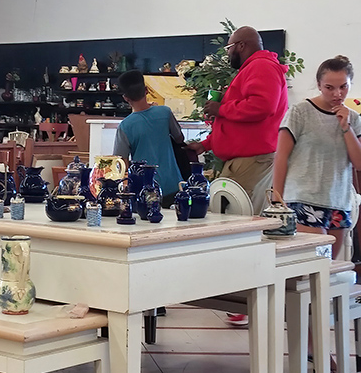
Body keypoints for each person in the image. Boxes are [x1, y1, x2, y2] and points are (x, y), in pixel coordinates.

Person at [273, 55, 361, 259]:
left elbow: (358, 162)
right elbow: (281, 156)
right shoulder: (301, 111)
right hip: (304, 197)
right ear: (319, 85)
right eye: (330, 87)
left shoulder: (353, 118)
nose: (337, 94)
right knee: (315, 263)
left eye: (343, 87)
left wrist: (345, 127)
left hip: (338, 201)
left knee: (328, 269)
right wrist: (276, 199)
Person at [195, 26, 288, 212]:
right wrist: (206, 144)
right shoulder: (253, 67)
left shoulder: (261, 66)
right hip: (246, 160)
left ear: (241, 45)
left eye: (228, 48)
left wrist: (221, 109)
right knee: (230, 215)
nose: (228, 54)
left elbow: (262, 106)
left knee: (241, 218)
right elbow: (238, 124)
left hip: (252, 161)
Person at [114, 70, 184, 205]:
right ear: (146, 90)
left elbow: (120, 163)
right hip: (174, 185)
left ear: (126, 98)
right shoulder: (165, 112)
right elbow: (179, 138)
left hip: (145, 190)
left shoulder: (125, 126)